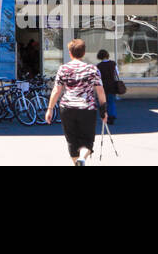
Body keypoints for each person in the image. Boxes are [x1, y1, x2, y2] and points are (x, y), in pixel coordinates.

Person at [44, 38, 107, 166]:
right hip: (87, 108)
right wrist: (103, 110)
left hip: (67, 108)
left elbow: (57, 90)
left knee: (72, 140)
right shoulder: (92, 69)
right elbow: (100, 91)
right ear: (84, 53)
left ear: (70, 53)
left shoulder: (63, 69)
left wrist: (50, 109)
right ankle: (82, 159)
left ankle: (77, 162)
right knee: (87, 141)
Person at [96, 49, 120, 125]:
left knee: (103, 102)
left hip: (103, 86)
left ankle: (105, 116)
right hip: (112, 84)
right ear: (107, 55)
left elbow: (98, 76)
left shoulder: (99, 66)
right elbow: (117, 73)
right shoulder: (113, 63)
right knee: (111, 101)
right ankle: (112, 115)